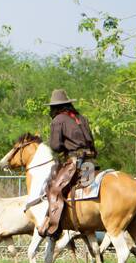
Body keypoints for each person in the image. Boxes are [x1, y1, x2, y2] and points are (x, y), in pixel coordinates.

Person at [40, 89, 98, 237]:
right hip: (90, 161)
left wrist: (62, 149)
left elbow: (55, 145)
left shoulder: (58, 120)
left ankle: (54, 226)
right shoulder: (81, 118)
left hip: (75, 162)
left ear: (55, 108)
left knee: (54, 189)